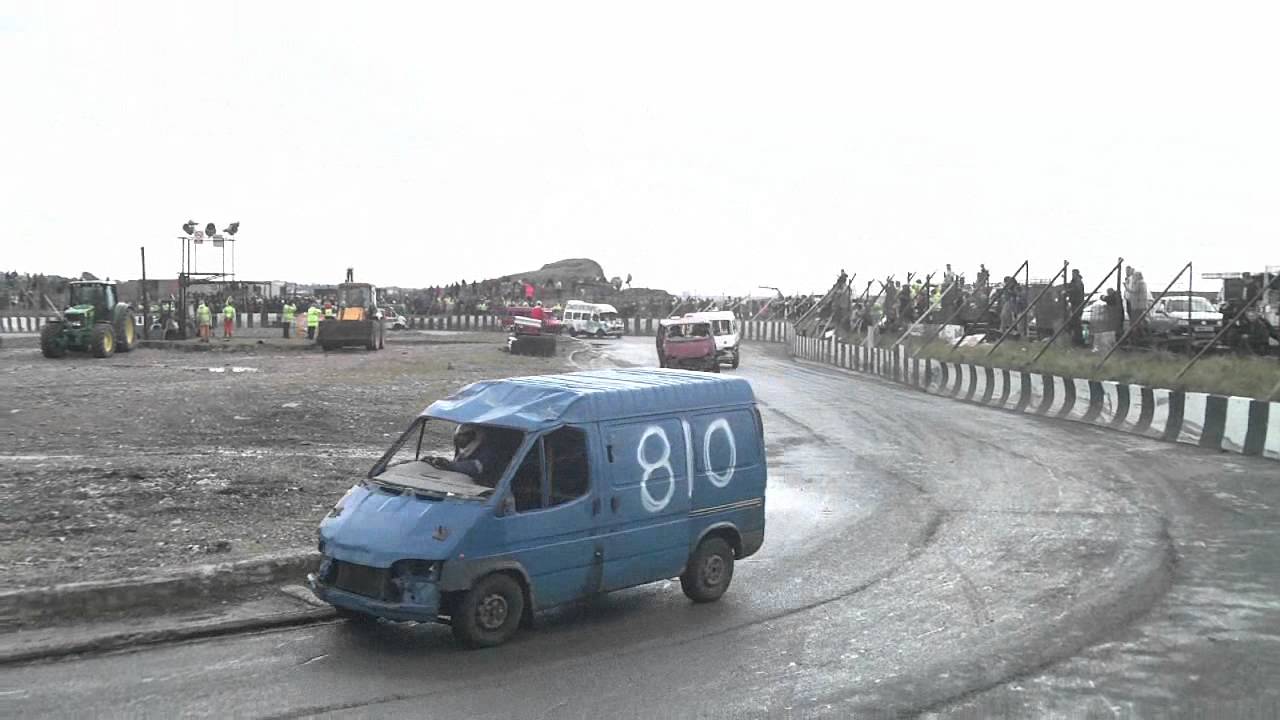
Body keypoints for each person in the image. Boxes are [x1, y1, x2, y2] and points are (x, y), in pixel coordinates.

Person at [427, 424, 504, 486]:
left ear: (474, 435)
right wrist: (434, 461)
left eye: (463, 436)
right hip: (463, 487)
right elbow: (457, 465)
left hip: (487, 492)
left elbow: (476, 467)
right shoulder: (464, 450)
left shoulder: (488, 450)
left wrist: (450, 465)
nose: (459, 439)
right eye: (458, 435)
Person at [1067, 269, 1085, 345]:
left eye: (1074, 274)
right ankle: (1076, 339)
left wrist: (1068, 291)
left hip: (1077, 303)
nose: (1073, 275)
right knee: (1075, 322)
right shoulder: (1074, 282)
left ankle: (1078, 340)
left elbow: (1076, 290)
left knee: (1076, 321)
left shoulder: (1078, 282)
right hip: (1075, 303)